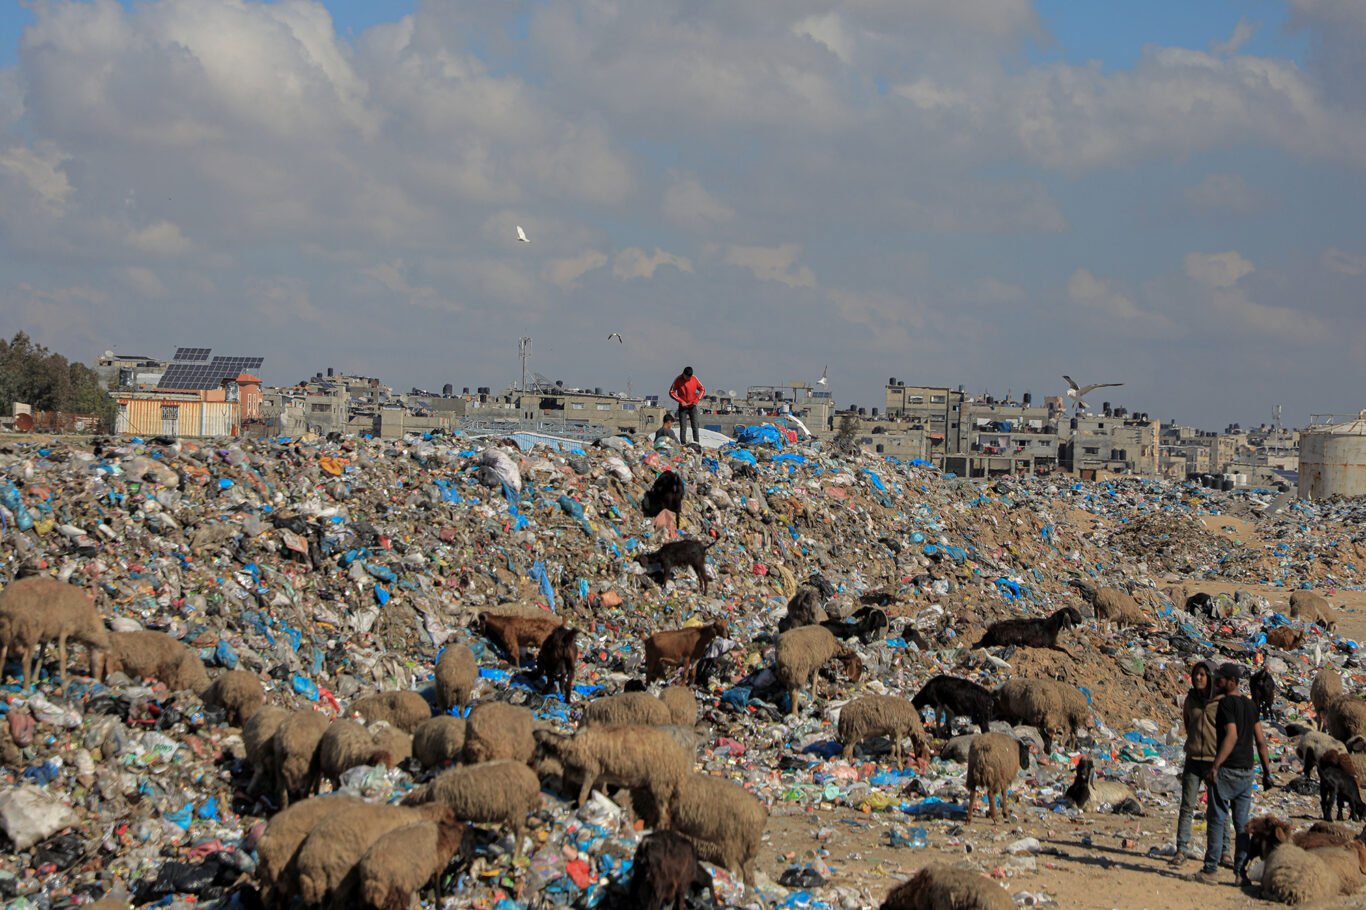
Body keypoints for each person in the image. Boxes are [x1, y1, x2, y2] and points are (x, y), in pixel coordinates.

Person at [1196, 662, 1273, 884]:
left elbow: (1231, 735)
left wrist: (1216, 765)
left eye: (1219, 679)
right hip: (1247, 772)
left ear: (1231, 682)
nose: (1215, 682)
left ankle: (1210, 870)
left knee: (1218, 819)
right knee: (1241, 824)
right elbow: (1261, 741)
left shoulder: (1226, 704)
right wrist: (1267, 771)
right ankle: (1241, 873)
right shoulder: (1250, 706)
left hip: (1228, 770)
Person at [1172, 659, 1230, 866]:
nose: (1198, 678)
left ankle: (1224, 852)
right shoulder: (1190, 699)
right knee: (1187, 805)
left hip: (1214, 762)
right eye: (1196, 674)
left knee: (1218, 808)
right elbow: (1188, 724)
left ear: (1212, 678)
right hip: (1193, 760)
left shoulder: (1221, 702)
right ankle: (1181, 849)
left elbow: (1227, 732)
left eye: (1203, 675)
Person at [668, 366, 705, 446]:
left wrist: (697, 400)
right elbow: (671, 392)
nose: (688, 379)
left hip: (692, 406)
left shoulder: (694, 379)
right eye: (686, 377)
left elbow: (702, 389)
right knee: (683, 427)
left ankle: (696, 443)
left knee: (695, 426)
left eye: (689, 377)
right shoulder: (678, 379)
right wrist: (680, 401)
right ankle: (683, 444)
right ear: (683, 374)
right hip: (683, 407)